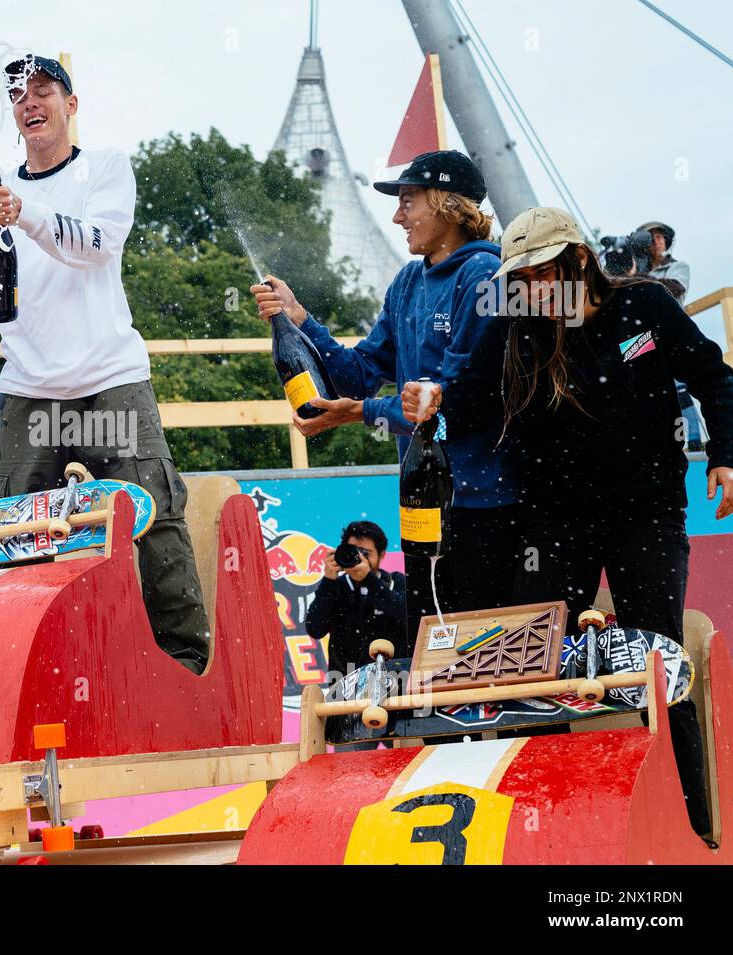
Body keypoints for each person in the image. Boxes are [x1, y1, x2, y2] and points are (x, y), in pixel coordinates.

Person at [402, 206, 733, 837]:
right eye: (518, 280)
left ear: (578, 261)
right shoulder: (517, 325)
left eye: (539, 276)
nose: (529, 292)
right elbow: (467, 401)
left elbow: (715, 379)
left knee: (657, 660)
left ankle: (695, 827)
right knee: (535, 666)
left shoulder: (645, 309)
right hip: (554, 517)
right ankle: (547, 823)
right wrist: (434, 402)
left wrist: (726, 456)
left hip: (647, 513)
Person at [0, 55, 210, 673]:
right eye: (19, 95)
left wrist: (26, 213)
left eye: (44, 90)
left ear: (72, 105)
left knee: (151, 514)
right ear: (12, 115)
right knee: (15, 533)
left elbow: (98, 247)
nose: (30, 102)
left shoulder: (105, 168)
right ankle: (23, 666)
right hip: (27, 388)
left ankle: (184, 666)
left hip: (110, 380)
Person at [251, 150, 517, 656]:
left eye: (408, 201)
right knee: (432, 648)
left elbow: (453, 407)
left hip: (484, 501)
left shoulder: (485, 275)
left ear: (446, 206)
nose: (397, 217)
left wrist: (359, 412)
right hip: (422, 500)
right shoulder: (408, 282)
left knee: (491, 653)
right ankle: (449, 737)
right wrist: (300, 319)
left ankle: (507, 736)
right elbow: (357, 374)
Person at [306, 521, 405, 679]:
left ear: (381, 555)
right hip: (343, 684)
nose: (359, 558)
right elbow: (315, 629)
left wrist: (369, 580)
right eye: (354, 551)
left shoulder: (395, 582)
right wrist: (328, 581)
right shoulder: (336, 587)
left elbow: (404, 616)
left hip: (394, 680)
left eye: (365, 553)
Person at [637, 220, 691, 303]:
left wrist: (639, 278)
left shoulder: (679, 266)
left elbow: (674, 289)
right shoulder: (639, 270)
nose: (655, 242)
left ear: (665, 242)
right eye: (650, 239)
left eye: (658, 237)